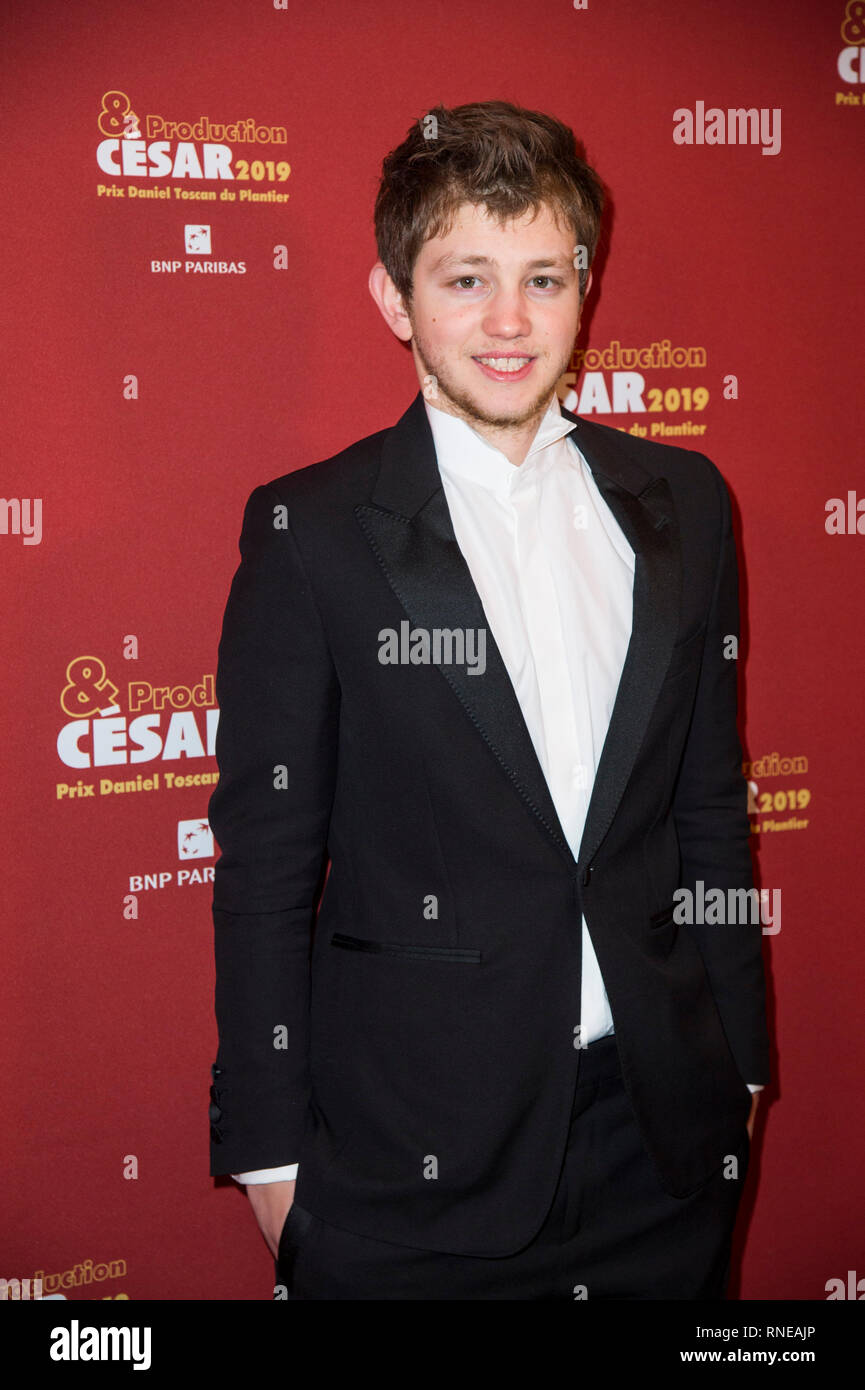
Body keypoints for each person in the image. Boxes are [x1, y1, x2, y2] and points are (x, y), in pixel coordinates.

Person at [207, 100, 769, 1300]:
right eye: (466, 278)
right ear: (392, 298)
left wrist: (745, 1069)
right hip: (408, 1175)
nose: (509, 323)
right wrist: (269, 1169)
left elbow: (710, 805)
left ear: (586, 288)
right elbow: (264, 865)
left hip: (660, 1147)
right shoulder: (313, 532)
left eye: (543, 278)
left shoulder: (686, 501)